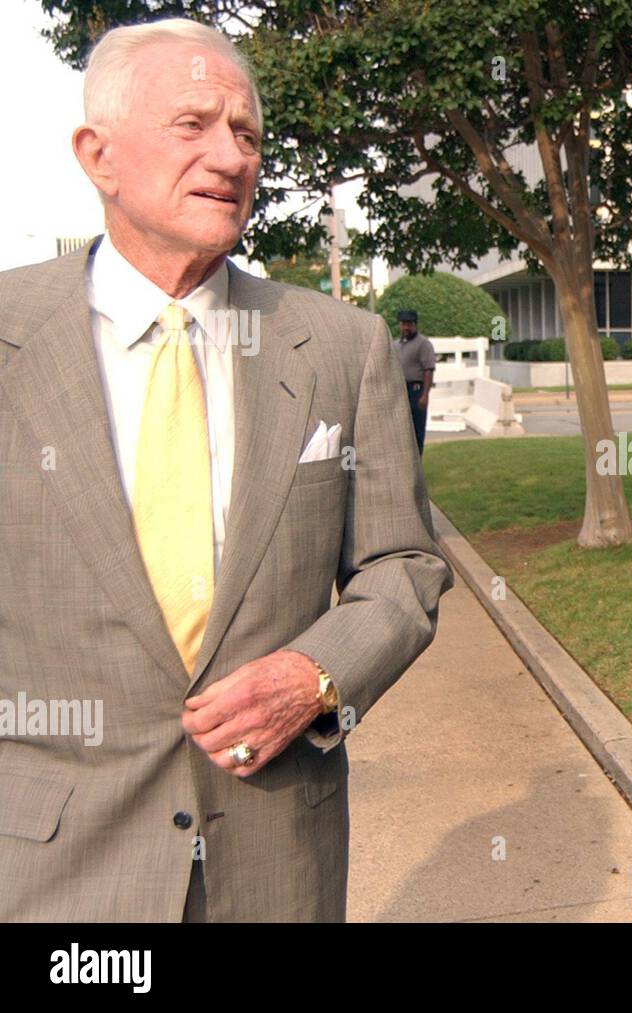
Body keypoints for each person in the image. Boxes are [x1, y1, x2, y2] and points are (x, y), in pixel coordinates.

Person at [0, 18, 452, 921]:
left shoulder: (339, 344)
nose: (232, 155)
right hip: (53, 876)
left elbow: (404, 564)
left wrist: (318, 675)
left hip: (276, 862)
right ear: (99, 154)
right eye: (194, 123)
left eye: (246, 133)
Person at [393, 308, 437, 454]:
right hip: (400, 391)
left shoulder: (423, 344)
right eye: (403, 324)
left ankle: (417, 466)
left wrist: (425, 395)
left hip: (417, 391)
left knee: (417, 431)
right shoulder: (396, 345)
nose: (406, 327)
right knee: (401, 431)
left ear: (415, 324)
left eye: (409, 324)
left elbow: (428, 370)